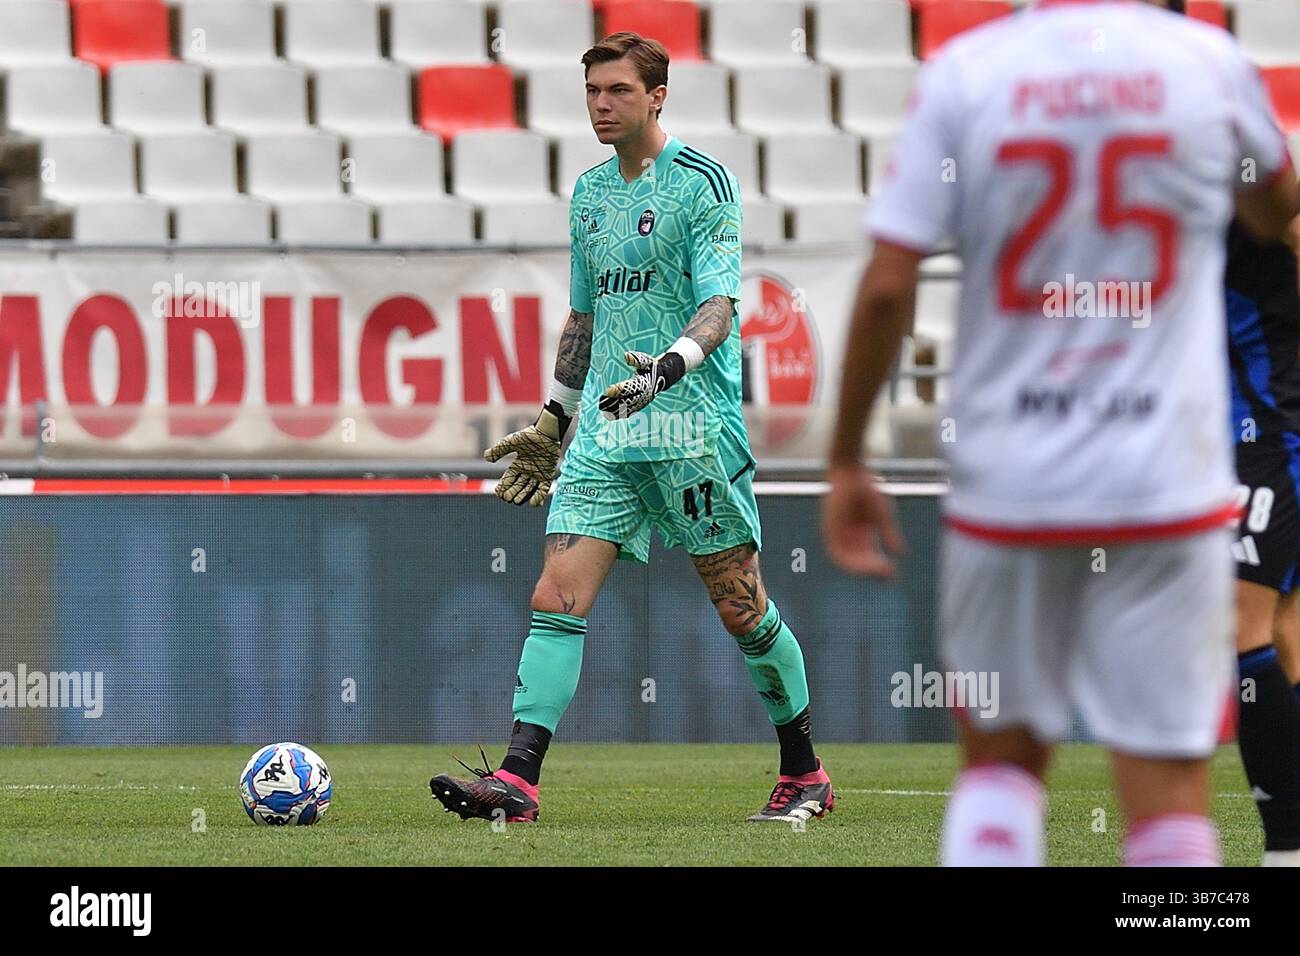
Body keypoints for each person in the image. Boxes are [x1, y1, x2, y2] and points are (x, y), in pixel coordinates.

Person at [823, 0, 1297, 865]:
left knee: (999, 774)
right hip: (1167, 481)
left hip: (1010, 482)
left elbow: (889, 285)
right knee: (1169, 801)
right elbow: (1274, 209)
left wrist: (848, 456)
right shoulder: (1208, 62)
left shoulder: (969, 71)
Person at [431, 32, 833, 825]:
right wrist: (555, 415)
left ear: (658, 95)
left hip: (691, 429)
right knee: (555, 594)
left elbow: (720, 307)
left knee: (741, 607)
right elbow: (585, 316)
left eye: (617, 90)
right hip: (609, 435)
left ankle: (804, 773)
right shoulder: (586, 194)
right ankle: (517, 781)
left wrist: (670, 368)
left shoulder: (704, 183)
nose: (601, 105)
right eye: (591, 92)